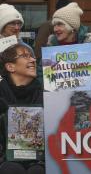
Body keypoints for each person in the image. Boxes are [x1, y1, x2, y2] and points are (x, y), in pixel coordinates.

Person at [0, 43, 44, 174]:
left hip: (40, 161)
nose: (33, 60)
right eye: (25, 56)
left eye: (33, 57)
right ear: (10, 66)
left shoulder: (47, 96)